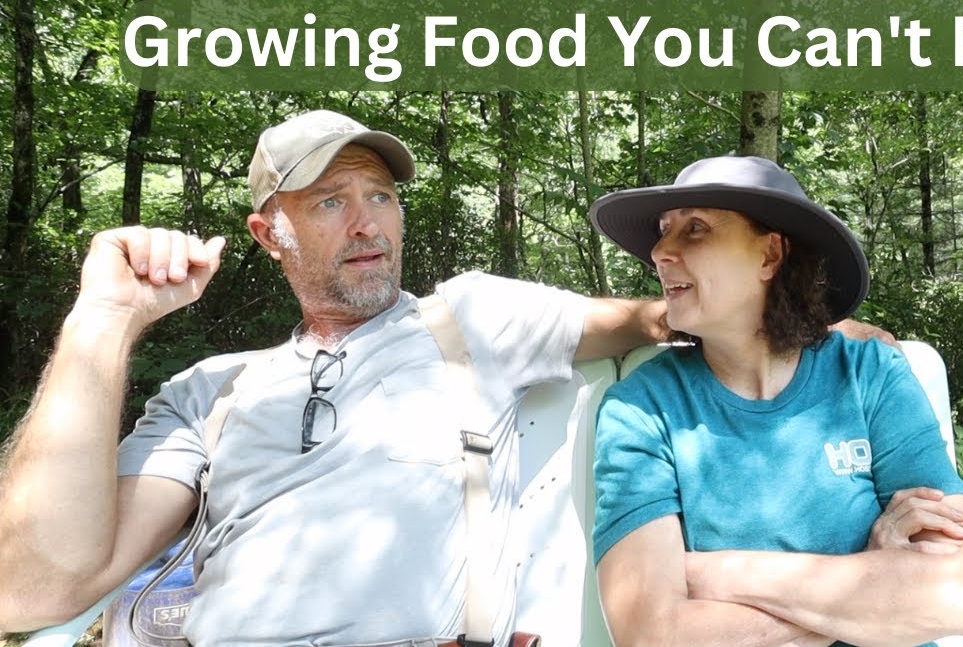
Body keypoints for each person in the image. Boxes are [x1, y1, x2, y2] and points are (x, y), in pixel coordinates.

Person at [0, 109, 673, 647]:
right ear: (269, 234)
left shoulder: (475, 321)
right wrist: (104, 319)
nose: (366, 224)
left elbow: (658, 320)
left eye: (380, 195)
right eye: (329, 202)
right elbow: (28, 591)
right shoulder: (210, 393)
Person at [588, 156, 963, 647]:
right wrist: (873, 580)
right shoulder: (642, 408)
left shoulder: (869, 374)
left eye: (695, 228)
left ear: (769, 255)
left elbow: (958, 597)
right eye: (663, 230)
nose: (659, 251)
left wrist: (712, 573)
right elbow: (652, 635)